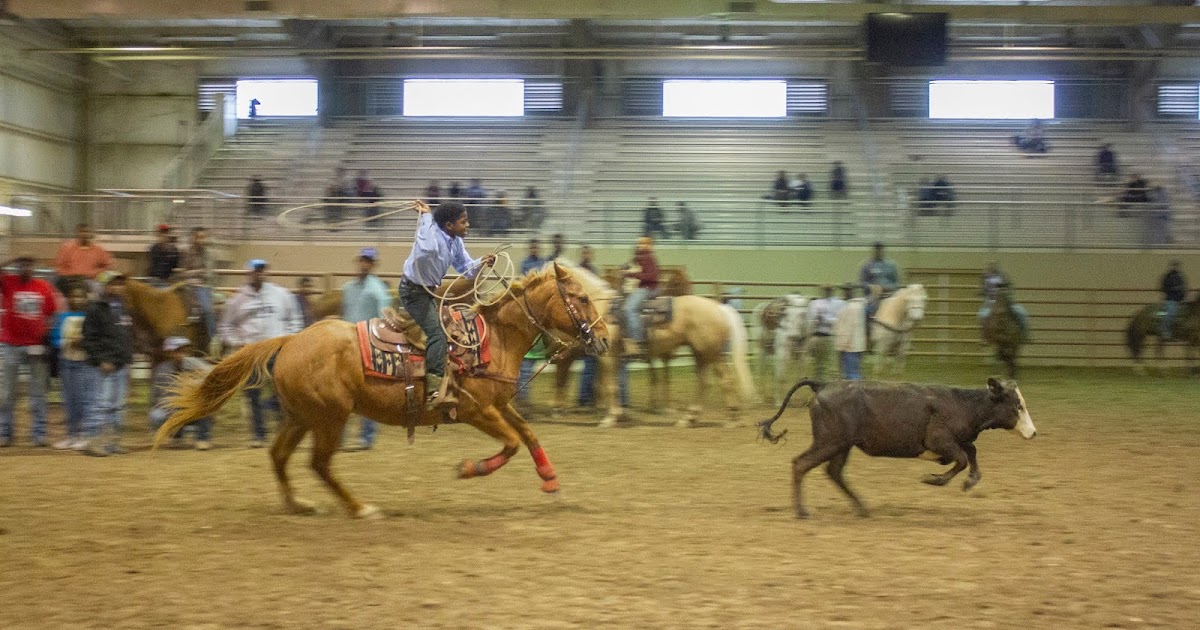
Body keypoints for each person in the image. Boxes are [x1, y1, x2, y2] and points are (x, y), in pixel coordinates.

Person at [399, 201, 496, 410]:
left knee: (452, 329)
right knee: (437, 334)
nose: (467, 225)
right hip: (413, 293)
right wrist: (426, 216)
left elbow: (467, 269)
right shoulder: (431, 235)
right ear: (449, 226)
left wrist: (482, 263)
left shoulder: (455, 242)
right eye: (464, 221)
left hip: (427, 293)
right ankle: (433, 387)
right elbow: (426, 249)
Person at [218, 259, 304, 447]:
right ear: (249, 273)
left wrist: (290, 339)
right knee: (253, 394)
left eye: (262, 270)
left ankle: (284, 431)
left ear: (266, 272)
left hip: (277, 351)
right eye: (255, 271)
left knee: (284, 393)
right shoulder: (237, 300)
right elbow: (225, 326)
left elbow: (295, 318)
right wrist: (236, 342)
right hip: (251, 352)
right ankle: (259, 435)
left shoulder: (281, 294)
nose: (259, 273)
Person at [0, 254, 59, 448]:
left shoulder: (43, 286)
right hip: (11, 344)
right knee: (8, 392)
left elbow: (52, 313)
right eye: (22, 265)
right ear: (17, 267)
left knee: (38, 392)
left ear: (33, 267)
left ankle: (39, 434)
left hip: (36, 345)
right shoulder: (8, 282)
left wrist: (45, 334)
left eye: (29, 265)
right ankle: (5, 433)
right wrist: (12, 259)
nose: (25, 268)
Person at [341, 248, 392, 451]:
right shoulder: (348, 288)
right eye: (362, 260)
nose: (364, 264)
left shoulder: (378, 290)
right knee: (342, 389)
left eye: (368, 261)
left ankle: (367, 436)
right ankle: (340, 436)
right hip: (347, 342)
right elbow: (345, 314)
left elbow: (383, 319)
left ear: (373, 264)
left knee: (367, 390)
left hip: (367, 342)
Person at [81, 271, 133, 457]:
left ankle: (112, 442)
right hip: (104, 365)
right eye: (113, 284)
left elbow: (126, 337)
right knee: (101, 403)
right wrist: (101, 360)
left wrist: (127, 359)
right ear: (104, 286)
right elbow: (89, 338)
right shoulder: (95, 308)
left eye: (120, 284)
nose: (118, 287)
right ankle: (93, 441)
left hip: (119, 363)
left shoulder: (123, 308)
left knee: (117, 405)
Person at [149, 337, 214, 451]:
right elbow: (158, 395)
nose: (180, 354)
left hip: (193, 405)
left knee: (205, 408)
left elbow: (211, 374)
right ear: (170, 353)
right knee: (157, 415)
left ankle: (203, 438)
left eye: (183, 351)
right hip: (172, 407)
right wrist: (169, 407)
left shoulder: (194, 364)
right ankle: (176, 436)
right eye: (177, 351)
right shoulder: (163, 370)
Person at [50, 283, 91, 450]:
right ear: (68, 299)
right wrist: (66, 342)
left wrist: (83, 343)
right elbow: (54, 338)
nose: (77, 299)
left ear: (85, 299)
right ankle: (70, 435)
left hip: (84, 363)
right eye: (73, 296)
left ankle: (83, 434)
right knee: (68, 400)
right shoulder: (62, 317)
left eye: (80, 296)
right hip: (66, 363)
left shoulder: (89, 317)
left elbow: (94, 339)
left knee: (82, 399)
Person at [622, 236, 660, 355]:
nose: (640, 245)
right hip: (646, 287)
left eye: (643, 243)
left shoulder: (647, 257)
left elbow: (651, 276)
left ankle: (638, 341)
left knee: (629, 309)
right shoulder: (643, 257)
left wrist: (632, 274)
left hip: (647, 288)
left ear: (649, 245)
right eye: (639, 243)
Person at [53, 223, 112, 295]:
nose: (84, 234)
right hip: (69, 280)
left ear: (91, 234)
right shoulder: (67, 248)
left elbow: (107, 266)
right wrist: (69, 275)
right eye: (81, 231)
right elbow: (59, 266)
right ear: (77, 233)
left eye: (87, 232)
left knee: (99, 289)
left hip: (90, 280)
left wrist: (94, 273)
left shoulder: (98, 250)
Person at [181, 227, 217, 340]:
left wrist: (196, 275)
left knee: (208, 310)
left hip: (203, 286)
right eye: (198, 237)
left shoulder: (209, 254)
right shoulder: (187, 252)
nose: (200, 240)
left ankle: (213, 339)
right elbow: (184, 272)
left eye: (202, 238)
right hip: (190, 285)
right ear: (193, 238)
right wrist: (197, 273)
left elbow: (209, 273)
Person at [806, 285, 842, 380]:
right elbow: (810, 319)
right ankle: (819, 385)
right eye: (825, 290)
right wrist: (815, 320)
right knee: (818, 364)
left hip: (830, 335)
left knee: (832, 364)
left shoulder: (838, 303)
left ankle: (832, 386)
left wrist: (825, 319)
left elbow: (838, 320)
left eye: (828, 290)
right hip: (817, 335)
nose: (826, 291)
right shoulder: (815, 303)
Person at [834, 284, 867, 380]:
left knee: (850, 373)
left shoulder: (847, 308)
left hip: (849, 345)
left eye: (845, 292)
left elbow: (846, 329)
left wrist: (841, 345)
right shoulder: (860, 306)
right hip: (859, 344)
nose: (843, 294)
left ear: (848, 293)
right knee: (856, 370)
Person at [1160, 260, 1187, 342]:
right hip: (1171, 299)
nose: (1175, 267)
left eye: (1176, 265)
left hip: (1180, 300)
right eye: (1173, 265)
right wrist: (1173, 290)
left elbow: (1184, 287)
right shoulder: (1167, 277)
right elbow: (1163, 288)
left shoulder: (1180, 277)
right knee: (1171, 313)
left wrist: (1183, 294)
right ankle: (1165, 331)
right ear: (1171, 266)